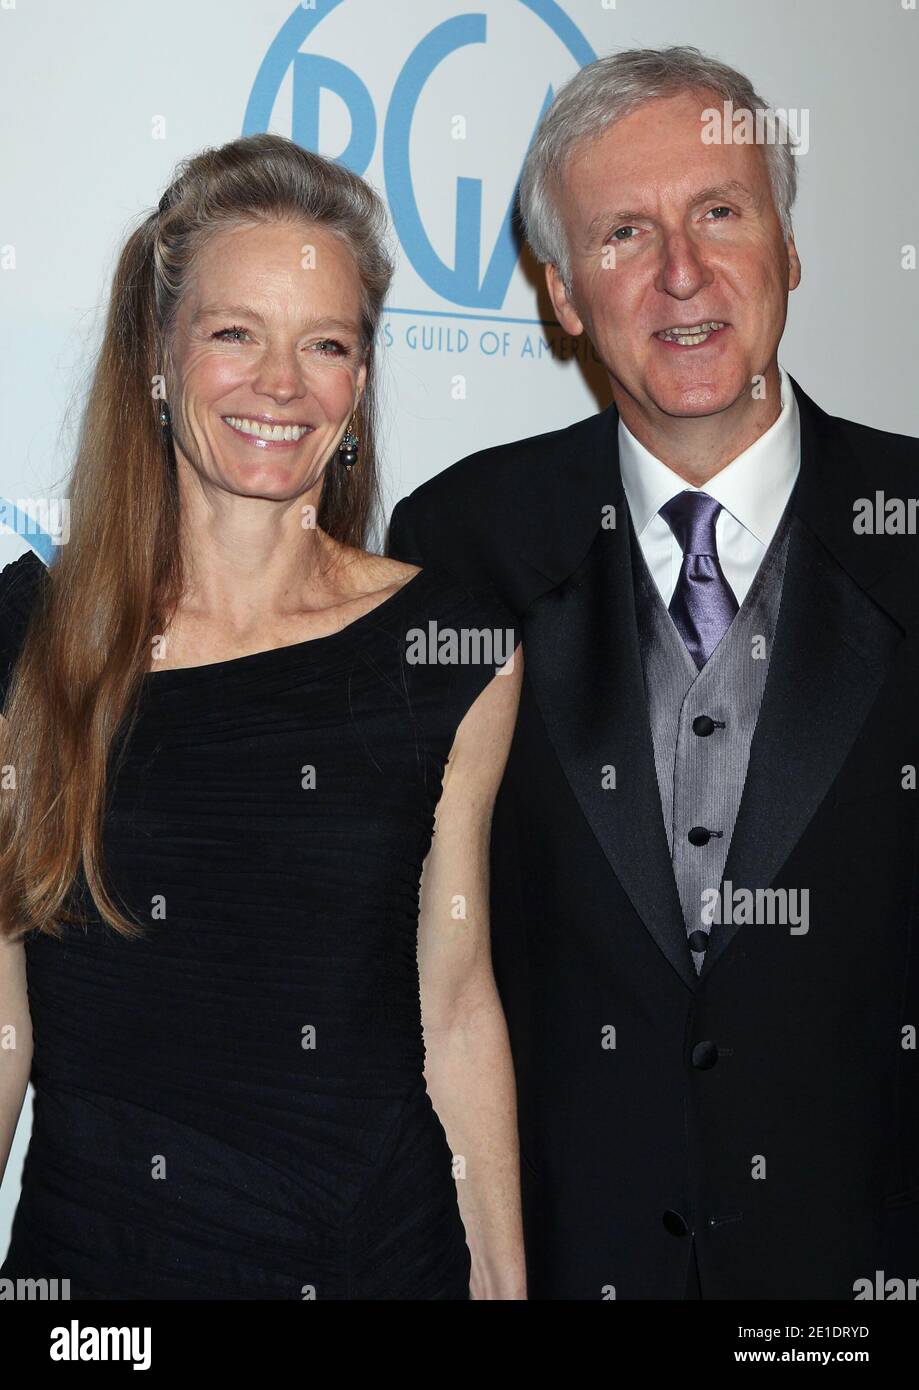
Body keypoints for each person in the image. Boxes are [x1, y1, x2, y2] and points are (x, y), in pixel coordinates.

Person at [388, 46, 919, 1299]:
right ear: (562, 295)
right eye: (623, 233)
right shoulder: (458, 542)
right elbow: (415, 961)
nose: (682, 274)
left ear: (788, 247)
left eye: (719, 213)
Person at [0, 133, 525, 1300]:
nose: (281, 385)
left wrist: (502, 1283)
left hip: (375, 1262)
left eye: (325, 345)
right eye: (236, 332)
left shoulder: (449, 651)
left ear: (360, 378)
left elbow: (455, 998)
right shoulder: (32, 637)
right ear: (159, 350)